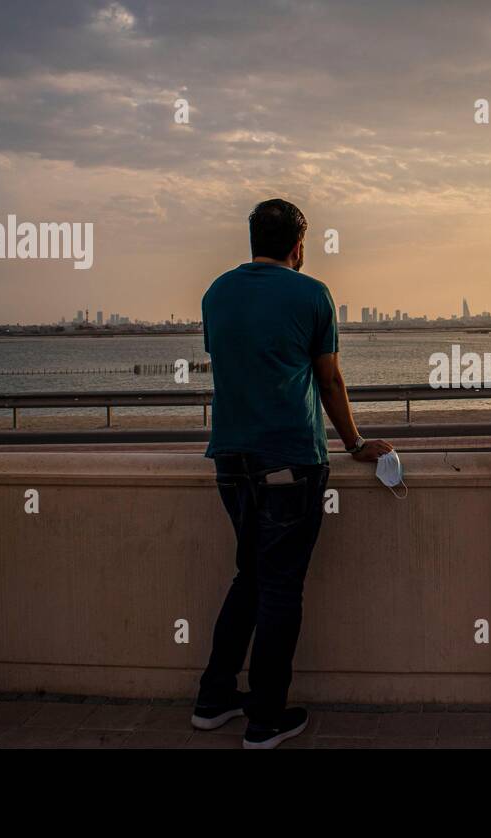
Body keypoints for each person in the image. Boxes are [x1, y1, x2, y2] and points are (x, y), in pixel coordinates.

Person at [191, 198, 393, 748]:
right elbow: (329, 382)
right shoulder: (312, 294)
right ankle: (265, 718)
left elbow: (235, 362)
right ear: (299, 245)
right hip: (288, 462)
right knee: (280, 587)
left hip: (230, 460)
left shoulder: (216, 293)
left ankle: (213, 698)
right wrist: (354, 443)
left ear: (252, 238)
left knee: (251, 577)